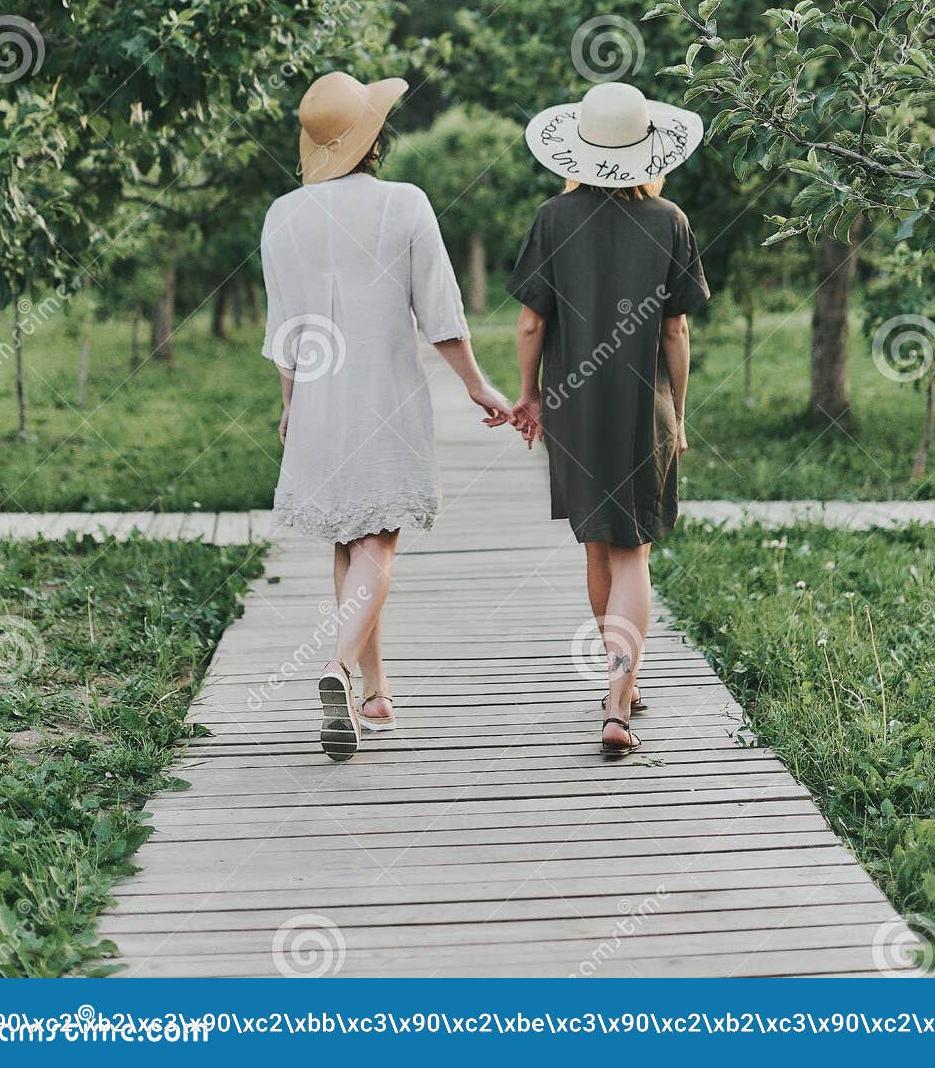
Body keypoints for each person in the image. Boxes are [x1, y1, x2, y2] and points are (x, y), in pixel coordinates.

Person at [260, 70, 514, 761]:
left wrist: (288, 412)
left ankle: (374, 692)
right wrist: (478, 386)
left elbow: (283, 333)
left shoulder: (282, 214)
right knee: (378, 543)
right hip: (383, 396)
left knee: (349, 542)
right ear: (376, 138)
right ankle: (339, 667)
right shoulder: (404, 203)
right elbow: (440, 316)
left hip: (316, 398)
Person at [508, 81, 709, 759]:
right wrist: (678, 413)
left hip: (574, 407)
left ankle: (620, 684)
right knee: (634, 553)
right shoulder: (670, 221)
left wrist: (528, 394)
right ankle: (620, 697)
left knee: (599, 545)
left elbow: (532, 320)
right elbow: (676, 332)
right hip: (641, 408)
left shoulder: (552, 219)